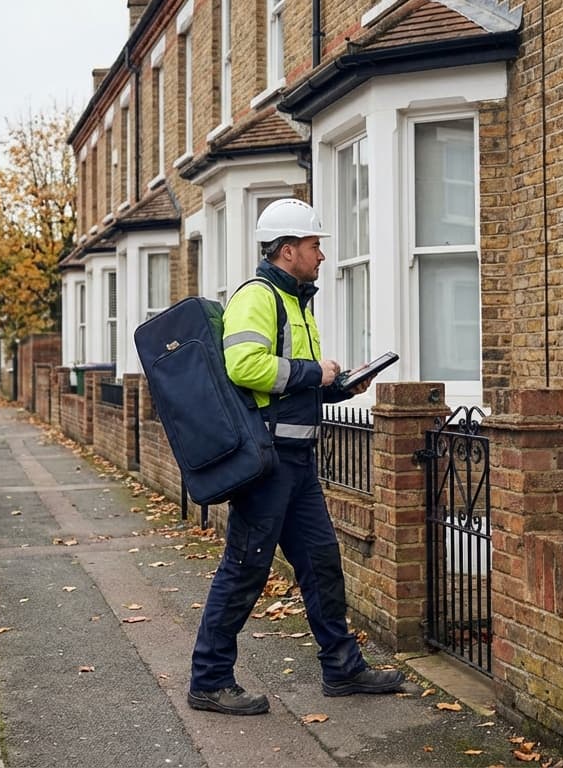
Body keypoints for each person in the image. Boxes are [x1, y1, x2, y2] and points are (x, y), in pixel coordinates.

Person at [187, 198, 405, 716]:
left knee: (322, 564)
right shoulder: (258, 297)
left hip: (297, 462)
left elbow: (287, 384)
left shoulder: (296, 301)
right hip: (267, 465)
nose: (322, 255)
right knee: (244, 569)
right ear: (288, 250)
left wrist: (340, 388)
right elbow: (245, 366)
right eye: (314, 246)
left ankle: (343, 668)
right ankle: (209, 679)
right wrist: (315, 375)